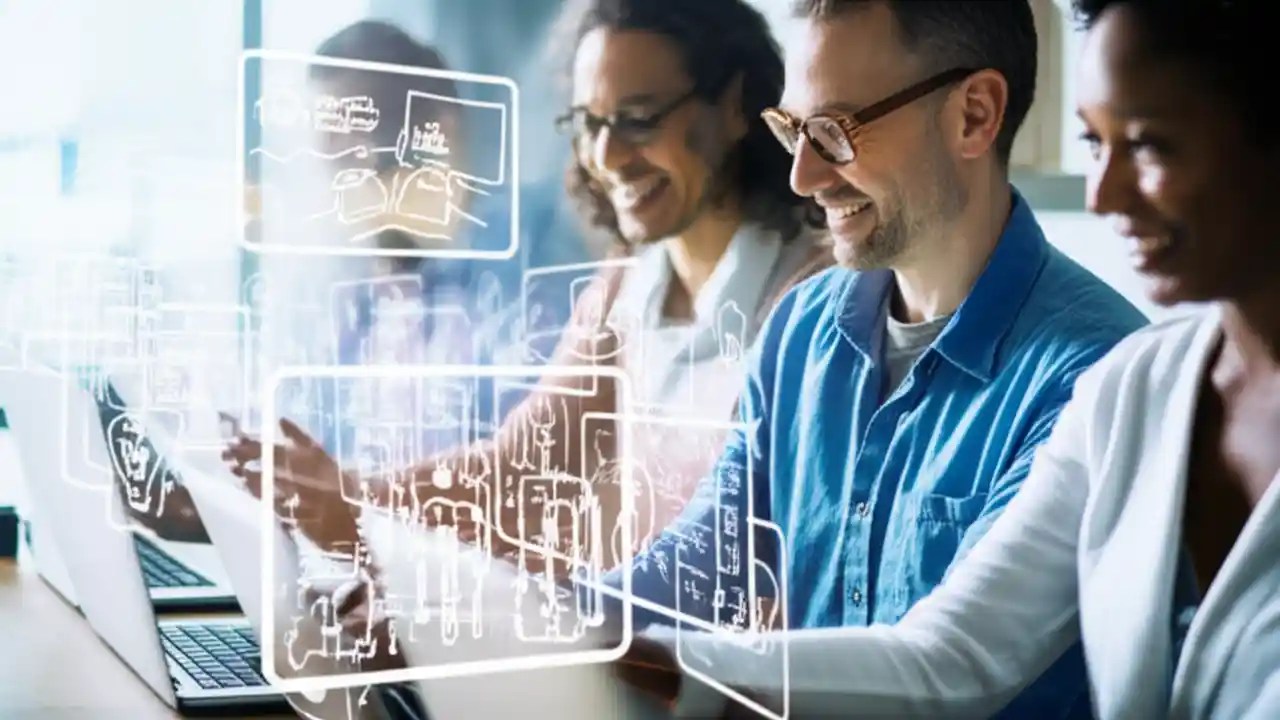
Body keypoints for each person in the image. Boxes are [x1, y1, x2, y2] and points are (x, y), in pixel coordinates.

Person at [617, 0, 1280, 717]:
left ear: (974, 116)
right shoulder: (1135, 388)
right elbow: (947, 658)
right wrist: (554, 631)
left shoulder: (1086, 366)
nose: (802, 177)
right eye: (1093, 143)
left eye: (836, 132)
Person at [223, 0, 829, 673]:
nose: (607, 155)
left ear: (737, 104)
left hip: (690, 683)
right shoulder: (625, 285)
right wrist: (349, 497)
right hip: (599, 664)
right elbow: (518, 467)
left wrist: (387, 542)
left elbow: (724, 571)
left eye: (637, 119)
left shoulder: (810, 297)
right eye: (589, 124)